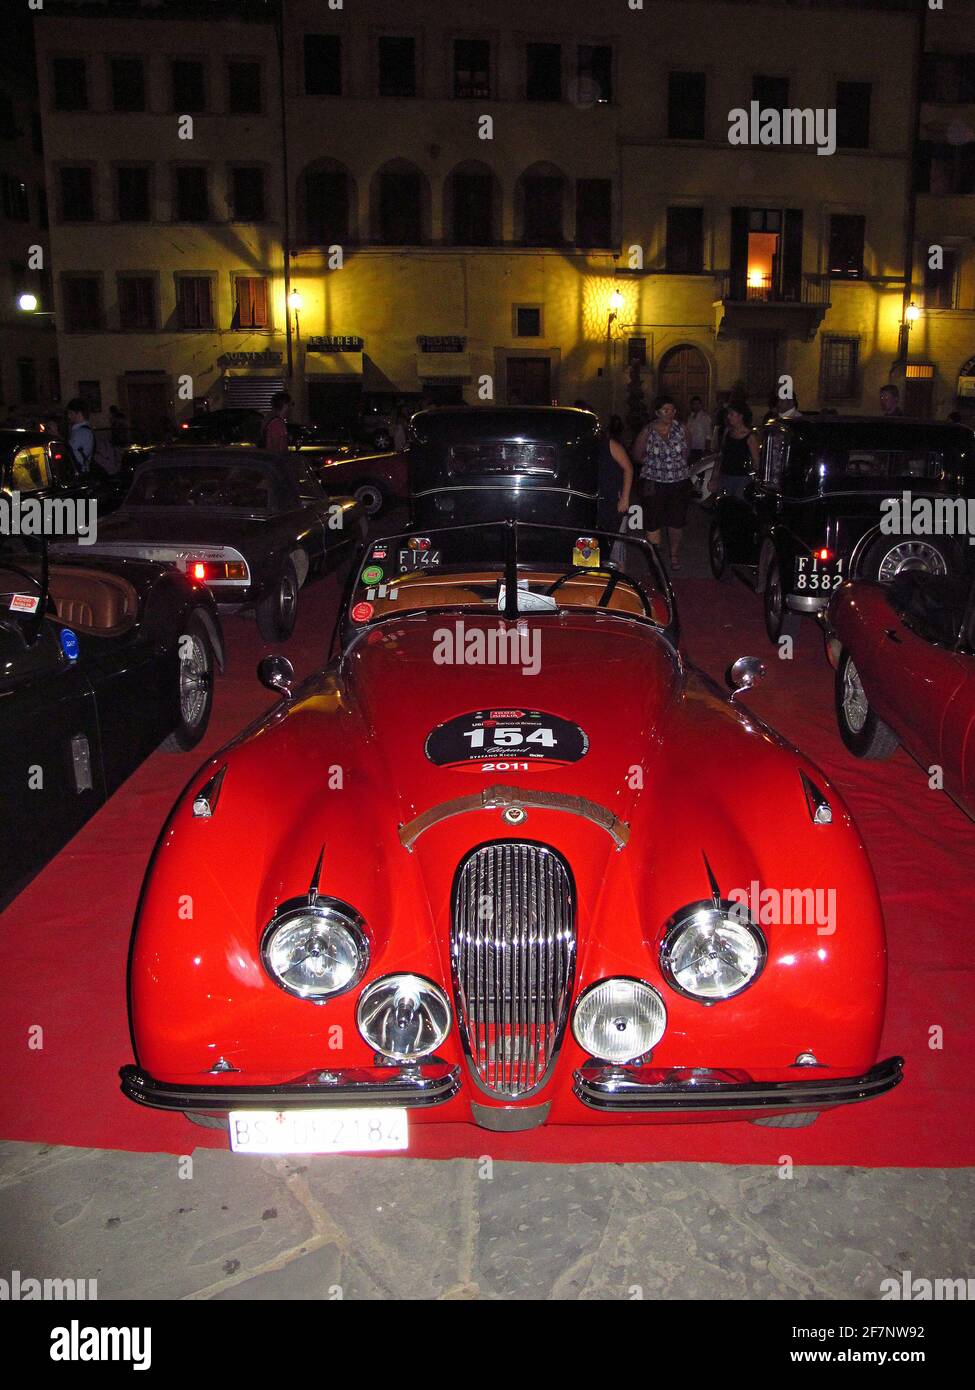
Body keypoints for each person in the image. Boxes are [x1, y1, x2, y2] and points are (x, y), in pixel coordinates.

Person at [631, 393, 690, 570]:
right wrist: (655, 464)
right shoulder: (647, 431)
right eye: (666, 410)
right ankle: (655, 556)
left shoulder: (682, 429)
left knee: (676, 520)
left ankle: (673, 554)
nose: (670, 413)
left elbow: (687, 452)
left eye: (673, 410)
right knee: (653, 518)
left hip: (678, 480)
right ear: (657, 412)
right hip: (654, 481)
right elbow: (637, 455)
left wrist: (675, 465)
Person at [710, 401, 759, 500]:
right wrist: (714, 477)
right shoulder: (728, 432)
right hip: (725, 476)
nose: (728, 417)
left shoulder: (750, 437)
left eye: (732, 414)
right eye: (728, 414)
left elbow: (756, 461)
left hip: (742, 479)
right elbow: (721, 456)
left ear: (740, 416)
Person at [597, 415, 634, 535]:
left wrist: (625, 497)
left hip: (610, 498)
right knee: (588, 542)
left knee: (613, 539)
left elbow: (628, 468)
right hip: (591, 499)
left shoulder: (608, 444)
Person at [66, 398, 95, 473]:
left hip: (79, 474)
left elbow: (68, 453)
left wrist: (55, 435)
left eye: (71, 413)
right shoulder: (84, 430)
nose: (69, 416)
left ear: (79, 414)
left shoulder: (81, 433)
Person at [686, 394, 712, 464]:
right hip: (690, 447)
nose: (696, 406)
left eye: (698, 404)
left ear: (701, 405)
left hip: (700, 448)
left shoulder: (705, 417)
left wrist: (707, 449)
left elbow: (708, 434)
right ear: (691, 405)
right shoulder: (690, 417)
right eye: (694, 404)